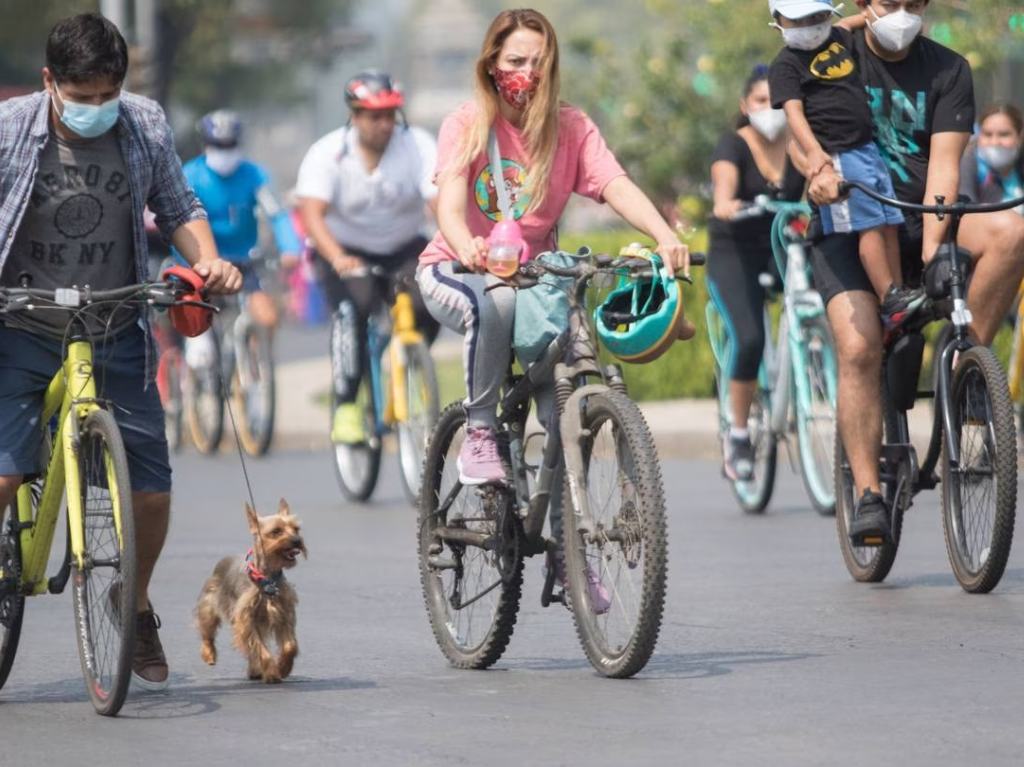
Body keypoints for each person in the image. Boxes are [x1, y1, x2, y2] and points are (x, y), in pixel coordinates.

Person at [0, 13, 241, 690]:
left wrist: (210, 260)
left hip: (115, 323)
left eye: (108, 94)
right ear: (51, 83)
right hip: (21, 323)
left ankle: (131, 602)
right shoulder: (11, 131)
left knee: (152, 489)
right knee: (4, 476)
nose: (96, 108)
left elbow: (178, 204)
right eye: (82, 97)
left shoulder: (145, 123)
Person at [416, 8, 688, 485]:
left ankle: (566, 535)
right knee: (495, 300)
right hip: (458, 271)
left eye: (538, 62)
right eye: (516, 60)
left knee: (562, 372)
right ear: (490, 64)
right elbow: (449, 206)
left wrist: (664, 236)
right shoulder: (466, 124)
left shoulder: (571, 127)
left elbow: (615, 184)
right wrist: (467, 246)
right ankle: (479, 433)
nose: (527, 74)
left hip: (535, 276)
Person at [804, 0, 1024, 543]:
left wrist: (931, 252)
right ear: (863, 5)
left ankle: (969, 369)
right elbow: (796, 119)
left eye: (913, 3)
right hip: (849, 224)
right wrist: (815, 171)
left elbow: (946, 164)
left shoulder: (949, 68)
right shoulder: (834, 58)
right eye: (889, 2)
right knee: (860, 348)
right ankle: (869, 495)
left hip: (926, 214)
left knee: (1012, 234)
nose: (902, 13)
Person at [296, 70, 440, 445]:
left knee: (430, 302)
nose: (384, 125)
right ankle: (346, 404)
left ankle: (410, 361)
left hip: (404, 245)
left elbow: (438, 200)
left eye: (390, 115)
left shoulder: (417, 145)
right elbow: (312, 214)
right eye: (374, 116)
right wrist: (338, 256)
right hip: (345, 249)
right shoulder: (328, 153)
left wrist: (450, 242)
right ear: (355, 116)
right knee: (354, 309)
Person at [769, 0, 924, 331]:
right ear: (778, 22)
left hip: (867, 150)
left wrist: (881, 16)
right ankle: (888, 297)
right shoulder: (784, 65)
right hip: (837, 155)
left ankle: (901, 293)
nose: (810, 25)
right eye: (799, 20)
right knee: (867, 224)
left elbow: (854, 22)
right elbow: (794, 114)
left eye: (818, 16)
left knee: (888, 221)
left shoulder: (837, 38)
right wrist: (815, 155)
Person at [708, 65, 805, 482]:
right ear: (745, 106)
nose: (770, 109)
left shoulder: (800, 142)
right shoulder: (733, 145)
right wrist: (729, 204)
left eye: (776, 101)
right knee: (749, 338)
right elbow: (723, 194)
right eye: (761, 101)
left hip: (785, 249)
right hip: (735, 252)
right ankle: (740, 434)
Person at [182, 109, 302, 332]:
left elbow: (277, 214)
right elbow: (180, 222)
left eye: (230, 146)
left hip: (245, 260)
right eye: (218, 146)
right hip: (204, 263)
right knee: (195, 328)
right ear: (206, 145)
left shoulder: (255, 175)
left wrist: (290, 247)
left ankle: (254, 360)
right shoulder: (190, 175)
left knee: (267, 318)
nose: (224, 152)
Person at [959, 103, 1024, 214]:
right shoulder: (967, 165)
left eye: (1004, 134)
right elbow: (967, 213)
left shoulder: (1020, 166)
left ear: (1019, 136)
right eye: (988, 134)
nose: (995, 142)